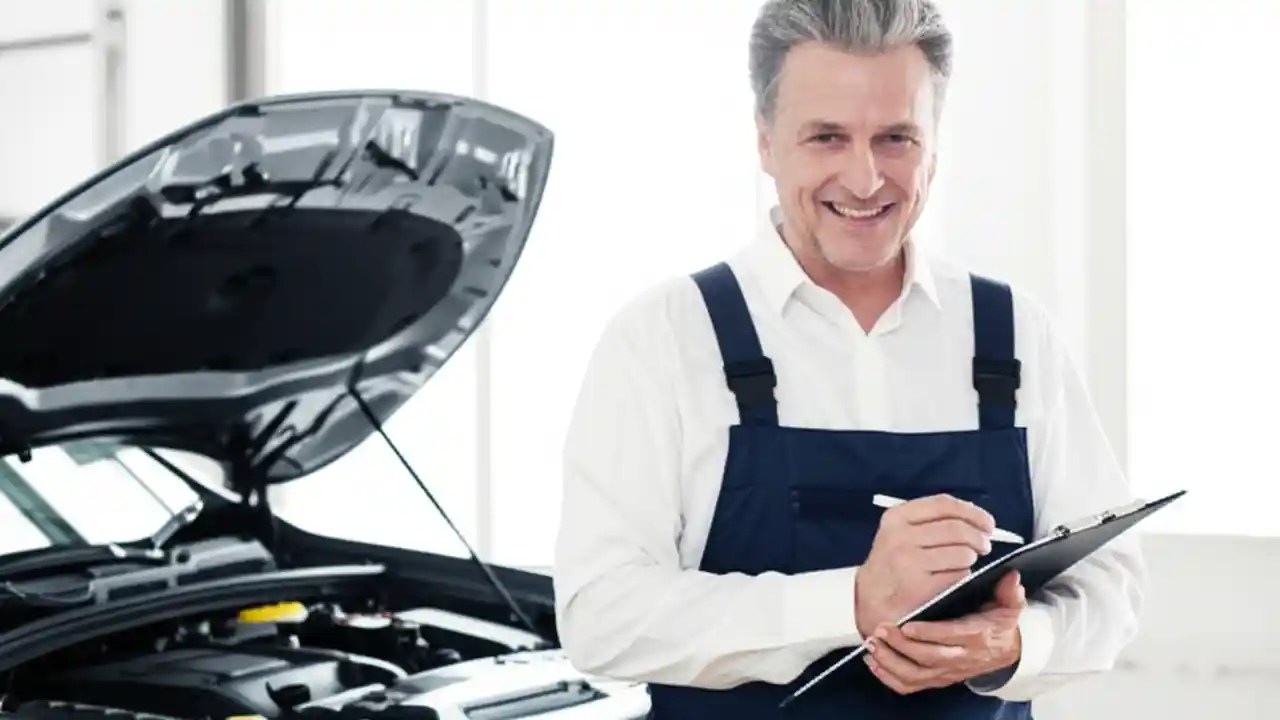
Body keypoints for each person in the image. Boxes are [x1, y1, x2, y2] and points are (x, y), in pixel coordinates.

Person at [552, 0, 1144, 717]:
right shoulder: (664, 338)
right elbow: (601, 618)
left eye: (896, 138)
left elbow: (1110, 591)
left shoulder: (1017, 334)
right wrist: (853, 602)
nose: (865, 180)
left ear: (935, 144)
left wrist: (1019, 642)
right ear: (765, 141)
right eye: (827, 137)